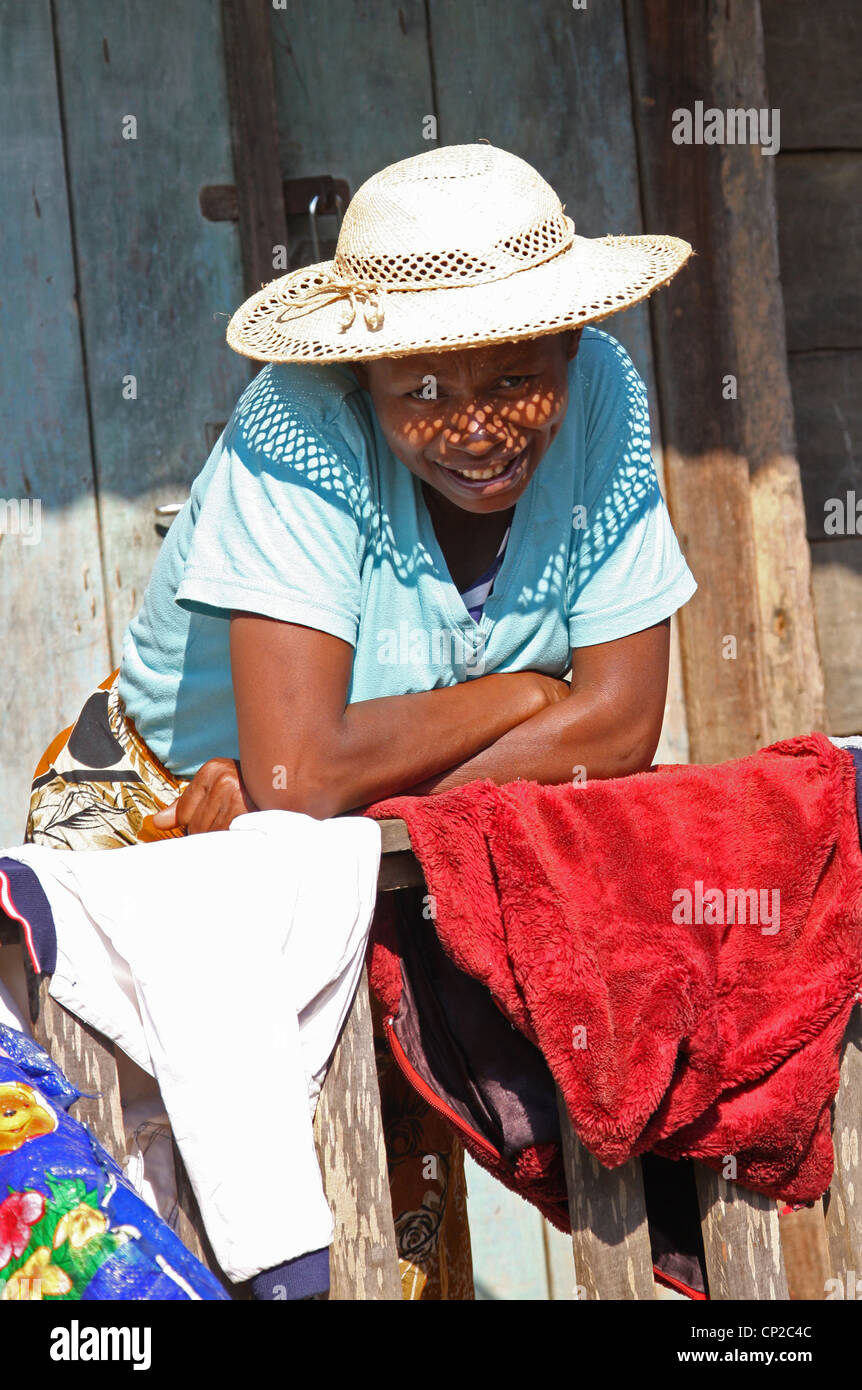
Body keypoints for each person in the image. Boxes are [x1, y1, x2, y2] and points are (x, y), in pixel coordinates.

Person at [25, 143, 697, 1298]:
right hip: (164, 824)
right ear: (365, 374)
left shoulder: (606, 394)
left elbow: (623, 725)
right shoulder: (298, 424)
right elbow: (301, 770)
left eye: (515, 377)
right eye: (422, 390)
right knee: (142, 1223)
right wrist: (526, 697)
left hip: (375, 846)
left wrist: (325, 784)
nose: (476, 426)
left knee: (388, 1212)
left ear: (570, 343)